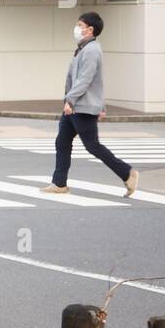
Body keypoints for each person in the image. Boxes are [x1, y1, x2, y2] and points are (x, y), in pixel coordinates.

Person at [41, 11, 138, 197]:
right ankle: (59, 183)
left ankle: (127, 173)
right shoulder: (83, 48)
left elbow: (86, 80)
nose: (76, 28)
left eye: (80, 25)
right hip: (76, 106)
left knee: (93, 146)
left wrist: (70, 100)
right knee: (62, 141)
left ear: (90, 29)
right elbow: (93, 81)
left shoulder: (92, 50)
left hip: (81, 107)